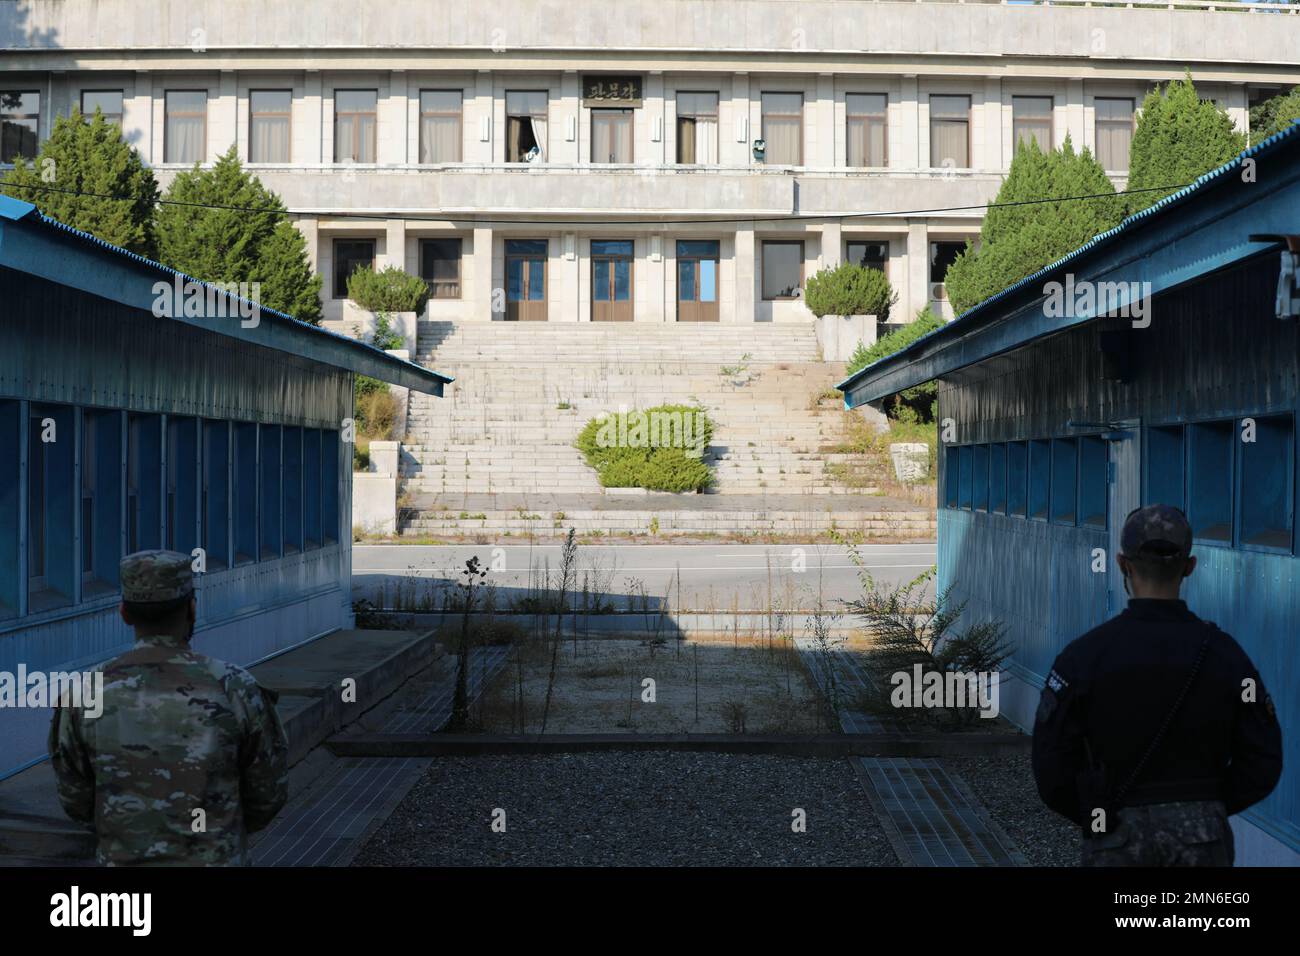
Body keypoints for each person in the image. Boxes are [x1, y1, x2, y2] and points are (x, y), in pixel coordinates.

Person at [1032, 504, 1283, 866]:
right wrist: (1206, 807)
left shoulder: (1083, 657)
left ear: (1122, 564)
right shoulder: (1226, 656)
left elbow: (1050, 766)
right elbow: (1263, 760)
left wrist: (1097, 814)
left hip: (1114, 834)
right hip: (1202, 839)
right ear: (1190, 567)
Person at [48, 550, 289, 865]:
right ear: (192, 608)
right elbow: (267, 794)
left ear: (124, 613)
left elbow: (75, 800)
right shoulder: (235, 687)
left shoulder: (85, 693)